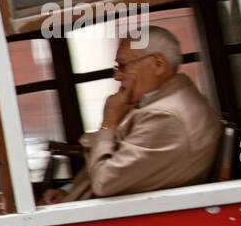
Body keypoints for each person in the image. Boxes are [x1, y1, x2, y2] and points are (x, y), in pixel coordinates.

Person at [44, 27, 221, 203]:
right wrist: (69, 191)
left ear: (158, 64)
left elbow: (104, 181)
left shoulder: (164, 116)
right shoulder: (170, 100)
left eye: (123, 66)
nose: (117, 76)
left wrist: (109, 123)